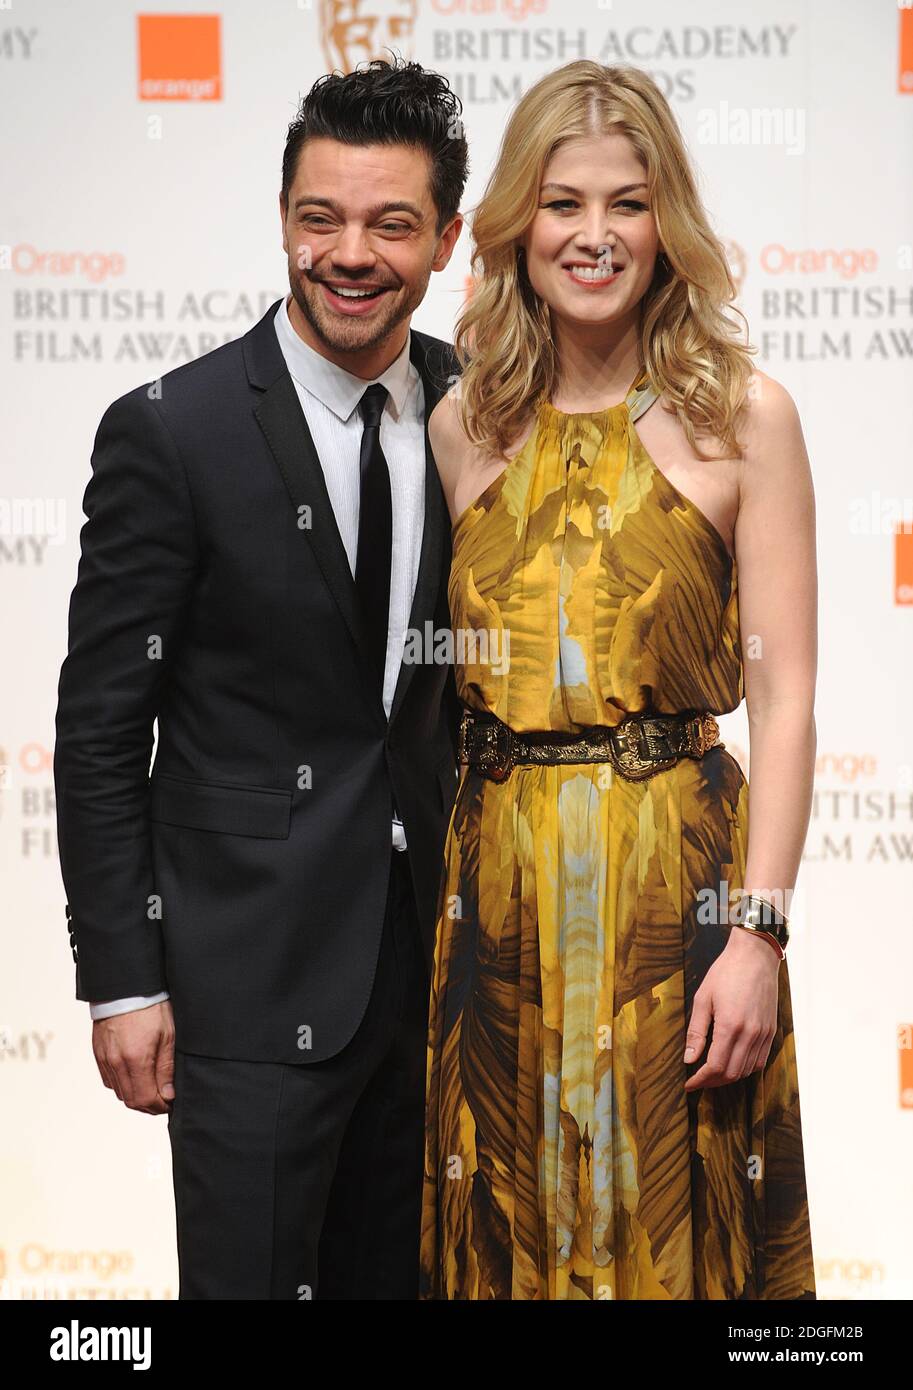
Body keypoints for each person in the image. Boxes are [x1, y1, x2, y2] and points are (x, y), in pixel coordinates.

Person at [53, 57, 467, 1300]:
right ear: (282, 220)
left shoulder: (478, 407)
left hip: (440, 986)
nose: (350, 252)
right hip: (243, 986)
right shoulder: (172, 432)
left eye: (391, 223)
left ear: (446, 237)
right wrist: (123, 977)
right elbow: (99, 729)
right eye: (318, 218)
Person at [421, 60, 817, 1300]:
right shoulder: (461, 423)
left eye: (628, 204)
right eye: (562, 203)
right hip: (496, 895)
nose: (594, 235)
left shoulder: (742, 416)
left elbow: (788, 694)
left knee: (673, 1225)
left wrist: (754, 932)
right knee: (502, 1216)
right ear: (513, 227)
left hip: (675, 889)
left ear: (669, 225)